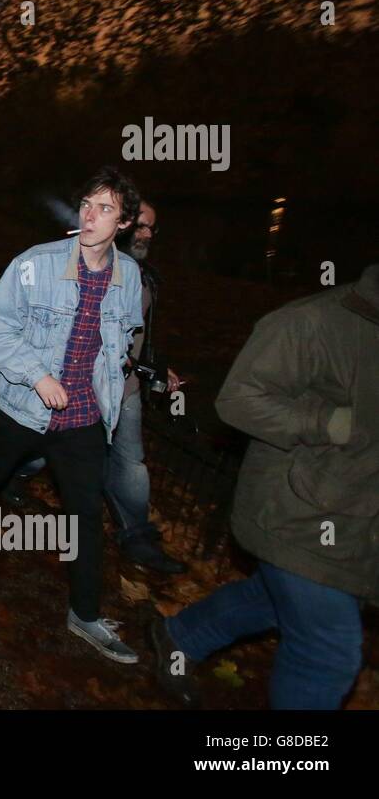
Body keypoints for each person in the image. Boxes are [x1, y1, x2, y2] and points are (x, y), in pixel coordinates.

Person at [151, 264, 379, 709]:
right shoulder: (313, 322)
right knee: (328, 652)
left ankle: (178, 636)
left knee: (274, 600)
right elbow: (238, 399)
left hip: (358, 526)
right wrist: (327, 422)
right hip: (299, 515)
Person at [0, 166, 145, 663]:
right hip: (26, 404)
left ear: (123, 223)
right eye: (86, 204)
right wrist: (38, 375)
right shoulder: (35, 264)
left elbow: (123, 341)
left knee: (84, 515)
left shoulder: (130, 278)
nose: (90, 215)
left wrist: (113, 388)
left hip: (83, 416)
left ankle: (84, 613)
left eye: (105, 209)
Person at [2, 200, 186, 575]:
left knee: (130, 463)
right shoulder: (80, 261)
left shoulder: (143, 277)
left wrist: (158, 367)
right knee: (44, 443)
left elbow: (140, 335)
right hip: (79, 384)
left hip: (126, 387)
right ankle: (15, 472)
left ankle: (137, 539)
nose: (147, 235)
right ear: (121, 223)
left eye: (153, 229)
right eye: (142, 226)